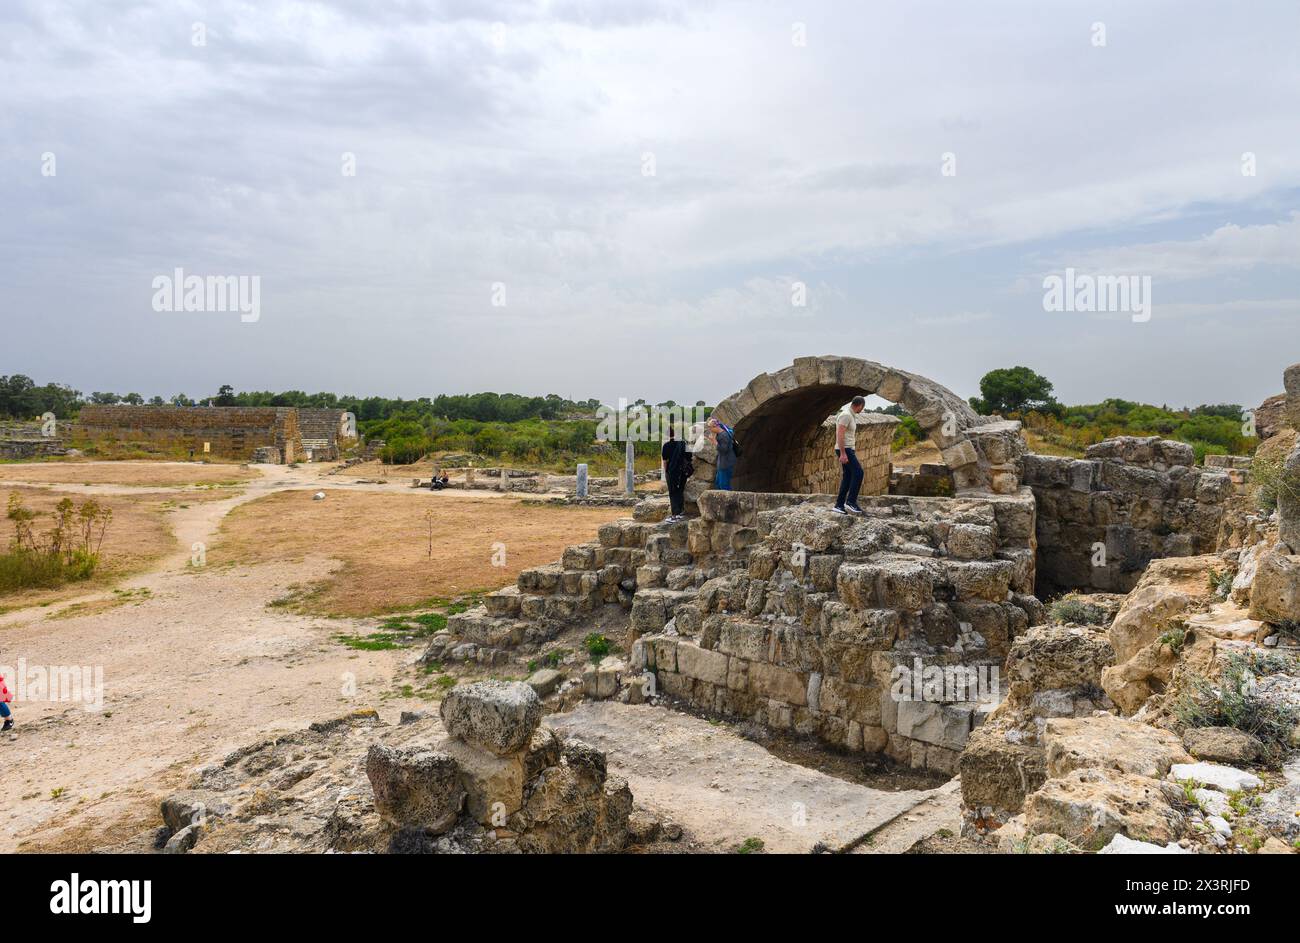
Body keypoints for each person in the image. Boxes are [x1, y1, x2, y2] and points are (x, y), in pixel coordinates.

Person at [833, 396, 867, 515]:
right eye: (862, 407)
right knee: (858, 472)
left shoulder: (850, 415)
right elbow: (839, 434)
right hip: (845, 449)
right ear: (860, 405)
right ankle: (851, 502)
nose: (862, 409)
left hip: (848, 449)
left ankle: (839, 505)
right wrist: (843, 453)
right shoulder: (846, 415)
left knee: (848, 476)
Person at [661, 425, 689, 521]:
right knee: (680, 490)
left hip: (672, 471)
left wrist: (666, 471)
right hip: (682, 471)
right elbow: (688, 456)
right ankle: (681, 512)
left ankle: (675, 514)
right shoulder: (683, 444)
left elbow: (665, 461)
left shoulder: (666, 446)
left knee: (672, 492)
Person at [708, 417, 735, 490]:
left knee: (724, 486)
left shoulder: (724, 435)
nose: (710, 430)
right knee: (718, 484)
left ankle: (729, 497)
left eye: (710, 427)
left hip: (726, 463)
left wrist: (714, 441)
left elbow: (724, 450)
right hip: (723, 463)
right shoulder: (720, 434)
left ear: (715, 426)